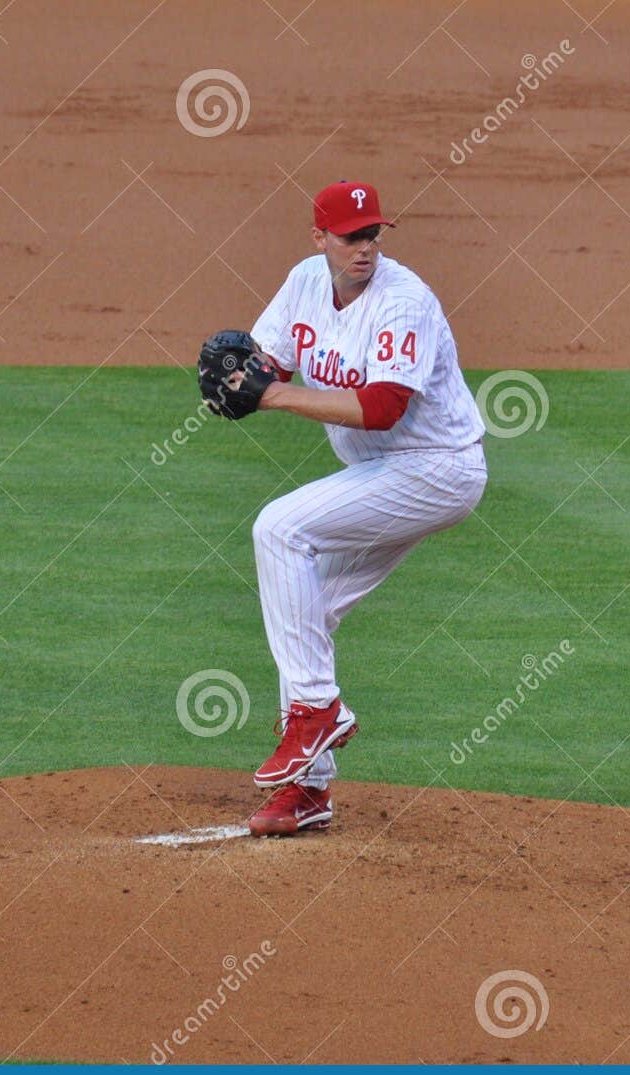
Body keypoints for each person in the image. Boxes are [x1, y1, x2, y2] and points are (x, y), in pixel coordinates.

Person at [239, 180, 487, 836]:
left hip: (438, 469)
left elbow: (382, 409)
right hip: (382, 473)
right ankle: (309, 791)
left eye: (373, 234)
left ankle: (318, 711)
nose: (365, 248)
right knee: (303, 610)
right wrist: (240, 380)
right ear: (319, 238)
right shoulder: (302, 283)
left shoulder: (404, 302)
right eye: (351, 236)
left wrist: (273, 397)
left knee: (279, 526)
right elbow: (268, 359)